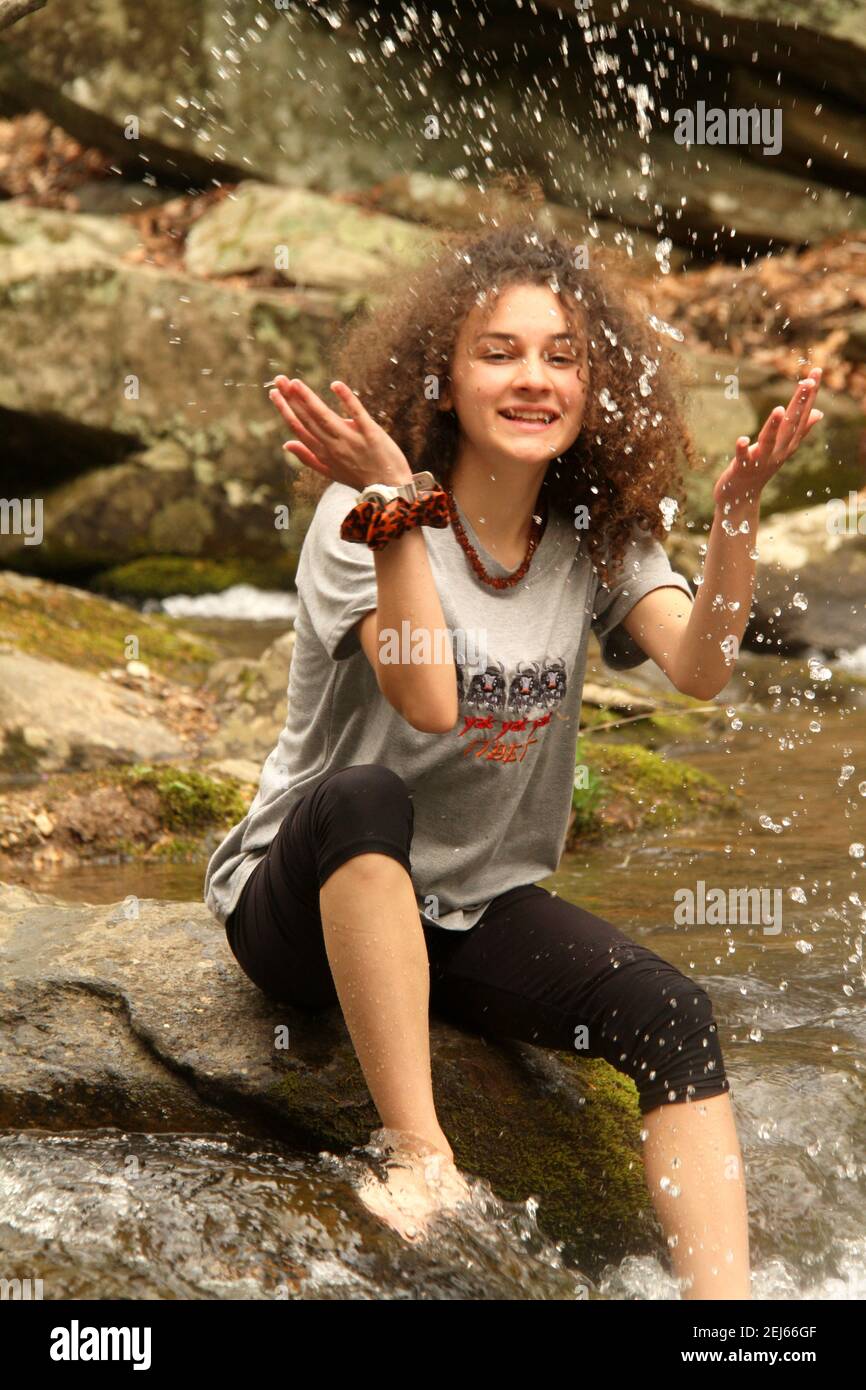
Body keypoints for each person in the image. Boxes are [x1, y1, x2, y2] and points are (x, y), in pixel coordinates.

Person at [203, 223, 823, 1298]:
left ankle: (726, 1320)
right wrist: (398, 511)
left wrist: (733, 522)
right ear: (442, 376)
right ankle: (416, 1150)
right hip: (310, 902)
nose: (532, 378)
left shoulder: (593, 529)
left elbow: (703, 667)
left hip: (469, 910)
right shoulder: (360, 513)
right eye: (498, 352)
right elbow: (426, 696)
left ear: (593, 385)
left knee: (670, 1015)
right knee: (364, 797)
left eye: (561, 356)